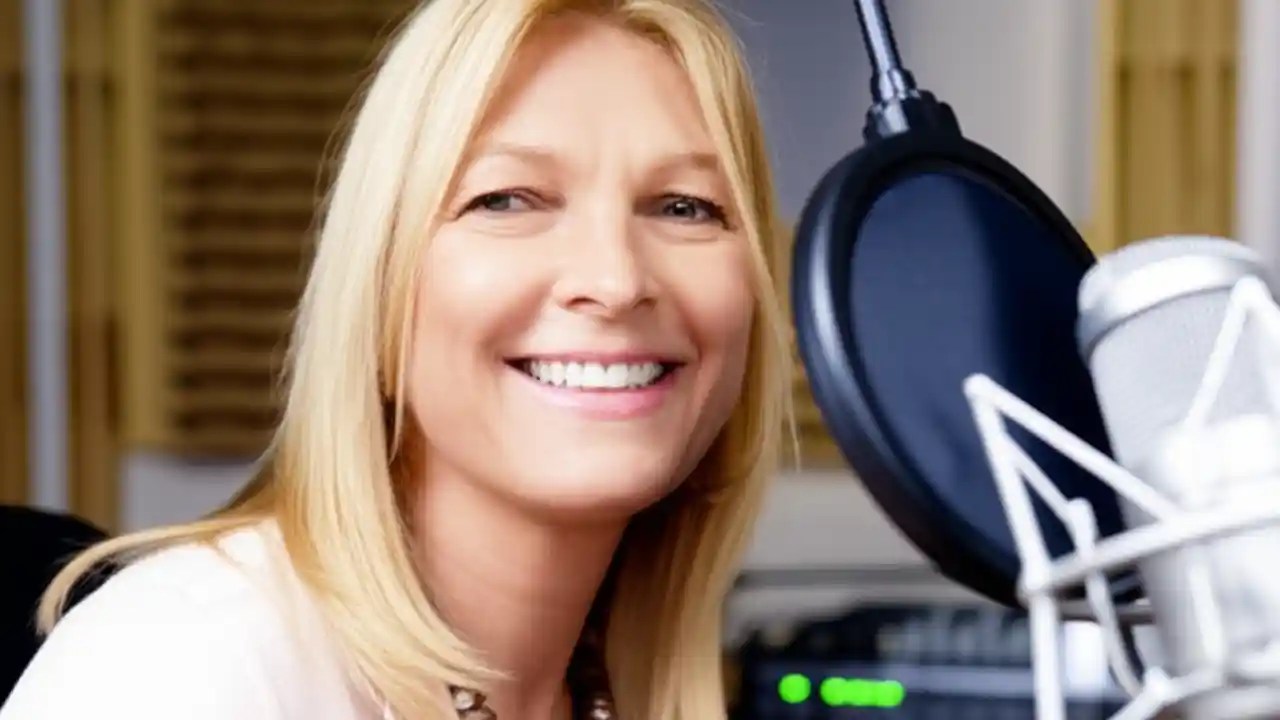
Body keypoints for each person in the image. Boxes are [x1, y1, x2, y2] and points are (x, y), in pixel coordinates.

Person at [0, 0, 792, 717]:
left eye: (685, 207)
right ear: (378, 283)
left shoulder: (607, 691)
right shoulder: (182, 665)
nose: (616, 281)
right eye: (508, 199)